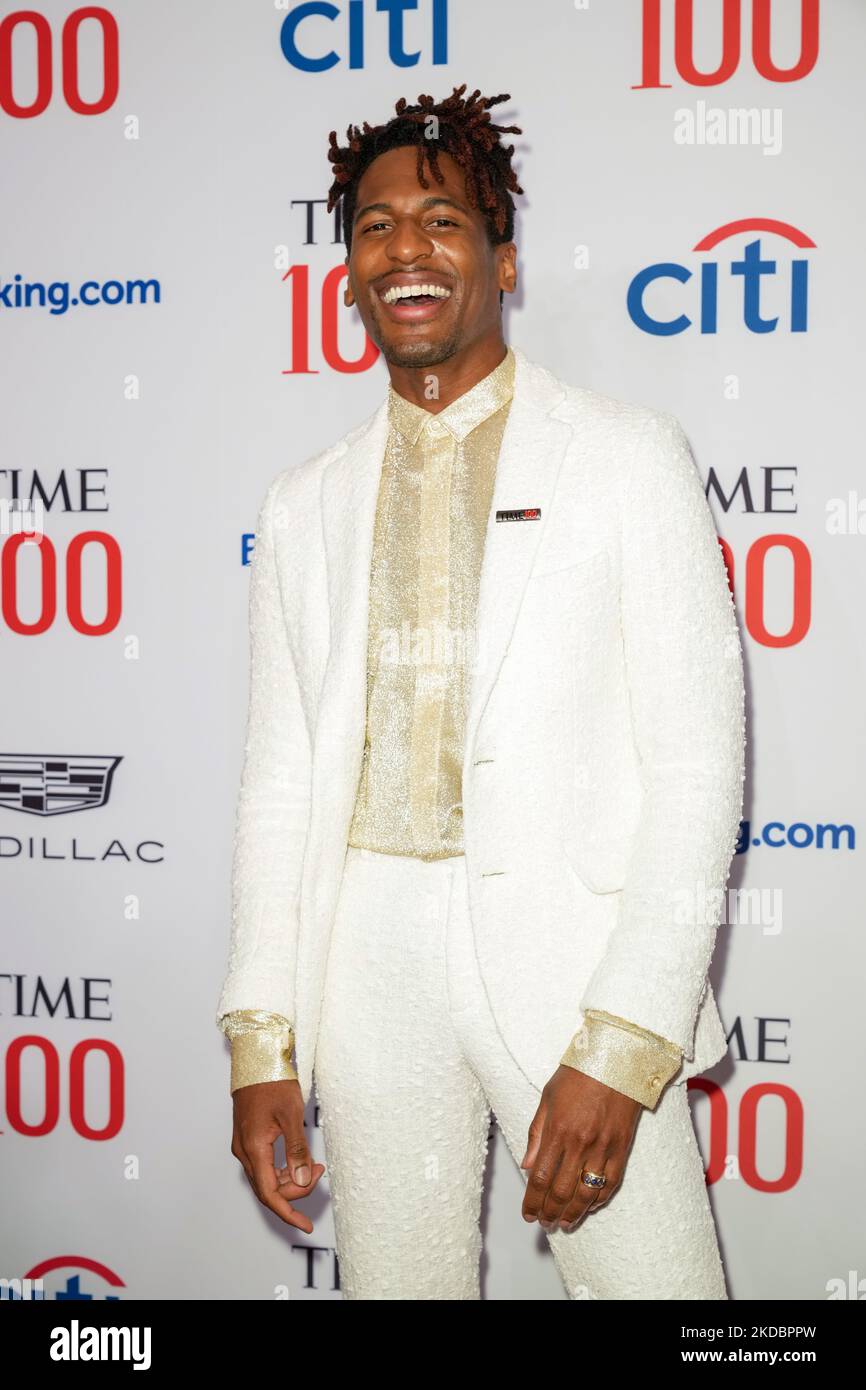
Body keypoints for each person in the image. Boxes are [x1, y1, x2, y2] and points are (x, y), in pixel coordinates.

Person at [216, 85, 746, 1301]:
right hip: (367, 971)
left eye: (442, 222)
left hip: (575, 969)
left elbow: (694, 766)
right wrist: (260, 1037)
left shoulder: (625, 454)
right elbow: (280, 787)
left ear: (502, 260)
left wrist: (622, 1041)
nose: (405, 247)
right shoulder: (304, 503)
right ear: (347, 270)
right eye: (374, 225)